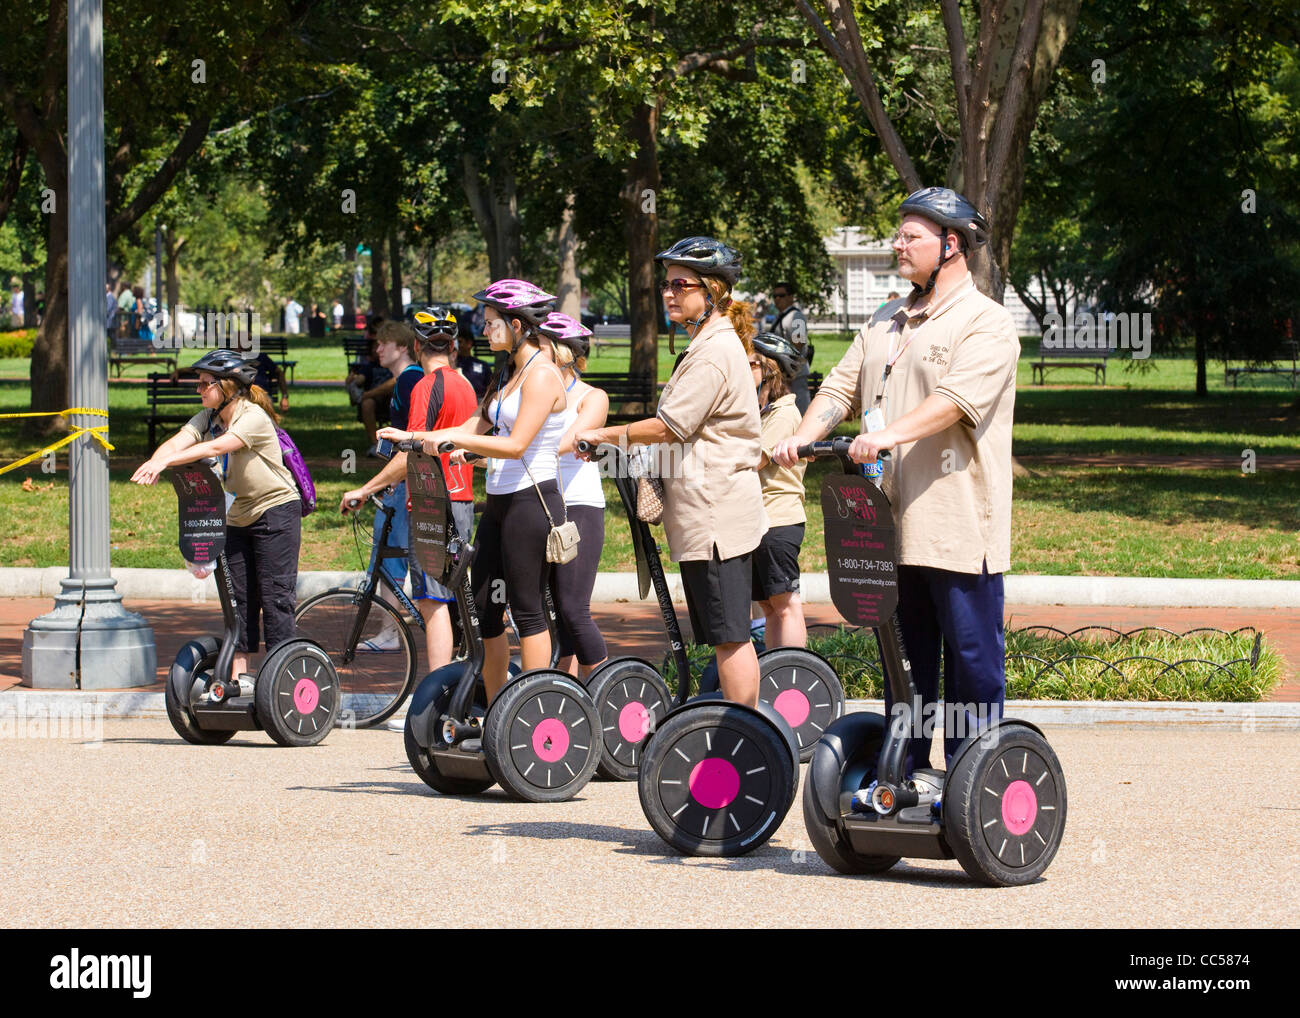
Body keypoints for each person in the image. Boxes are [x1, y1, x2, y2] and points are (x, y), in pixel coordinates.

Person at [772, 186, 1018, 772]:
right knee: (904, 666)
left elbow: (955, 403)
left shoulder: (986, 323)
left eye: (911, 236)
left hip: (957, 527)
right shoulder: (887, 319)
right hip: (889, 529)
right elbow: (837, 388)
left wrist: (883, 436)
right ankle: (902, 776)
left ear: (951, 244)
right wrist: (804, 436)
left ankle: (971, 781)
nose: (898, 244)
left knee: (971, 664)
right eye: (899, 234)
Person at [576, 236, 765, 708]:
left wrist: (602, 436)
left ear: (713, 291)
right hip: (705, 512)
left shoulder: (715, 351)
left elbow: (668, 427)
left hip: (718, 514)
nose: (669, 293)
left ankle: (746, 734)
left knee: (730, 636)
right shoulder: (705, 345)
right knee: (722, 634)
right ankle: (735, 731)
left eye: (681, 285)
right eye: (667, 285)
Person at [402, 280, 567, 703]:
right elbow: (473, 428)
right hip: (497, 503)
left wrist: (458, 445)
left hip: (533, 502)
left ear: (516, 325)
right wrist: (415, 437)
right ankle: (498, 712)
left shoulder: (543, 375)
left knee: (528, 610)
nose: (484, 330)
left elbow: (515, 446)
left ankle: (537, 706)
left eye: (492, 323)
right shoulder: (506, 373)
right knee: (485, 609)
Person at [131, 349, 302, 682]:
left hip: (275, 512)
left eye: (205, 384)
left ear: (227, 387)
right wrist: (155, 460)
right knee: (240, 602)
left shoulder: (251, 416)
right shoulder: (208, 418)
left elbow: (215, 448)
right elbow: (179, 441)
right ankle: (239, 680)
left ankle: (283, 680)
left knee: (276, 598)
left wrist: (165, 463)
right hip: (237, 517)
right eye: (199, 384)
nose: (200, 390)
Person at [345, 317, 467, 670]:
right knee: (445, 598)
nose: (378, 349)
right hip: (457, 495)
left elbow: (412, 451)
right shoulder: (462, 384)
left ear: (414, 346)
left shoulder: (425, 386)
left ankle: (434, 695)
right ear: (454, 348)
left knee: (432, 602)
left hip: (429, 497)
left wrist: (368, 488)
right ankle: (449, 687)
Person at [538, 311, 609, 679]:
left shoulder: (591, 397)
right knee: (551, 611)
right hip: (541, 504)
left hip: (579, 506)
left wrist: (517, 446)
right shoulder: (533, 393)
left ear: (561, 352)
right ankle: (558, 689)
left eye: (540, 345)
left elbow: (570, 441)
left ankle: (602, 688)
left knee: (572, 607)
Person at [748, 332, 809, 650]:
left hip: (778, 520)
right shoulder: (764, 413)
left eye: (751, 364)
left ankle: (796, 670)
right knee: (770, 609)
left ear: (768, 369)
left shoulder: (784, 413)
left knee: (786, 604)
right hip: (758, 522)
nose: (744, 371)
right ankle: (776, 674)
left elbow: (753, 459)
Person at [770, 281, 812, 413]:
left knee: (801, 410)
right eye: (775, 296)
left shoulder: (796, 316)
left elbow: (798, 345)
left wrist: (790, 372)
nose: (777, 299)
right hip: (785, 373)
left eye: (781, 295)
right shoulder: (781, 316)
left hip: (795, 373)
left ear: (791, 297)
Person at [456, 331, 492, 402]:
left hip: (478, 402)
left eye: (460, 342)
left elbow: (489, 388)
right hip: (458, 400)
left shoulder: (483, 366)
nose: (457, 345)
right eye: (456, 342)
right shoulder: (451, 363)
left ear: (469, 343)